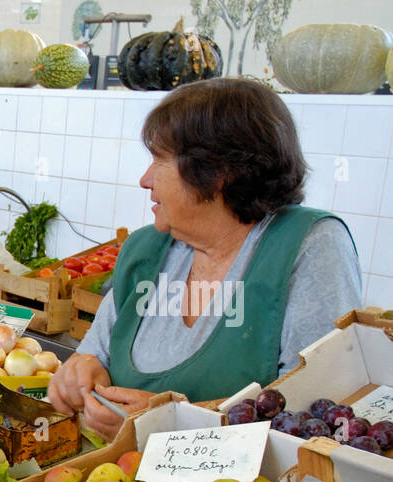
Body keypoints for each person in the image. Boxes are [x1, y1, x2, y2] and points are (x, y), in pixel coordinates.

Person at [47, 78, 363, 440]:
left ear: (217, 173)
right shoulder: (145, 251)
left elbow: (321, 412)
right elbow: (95, 355)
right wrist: (81, 370)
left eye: (160, 160)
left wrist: (176, 423)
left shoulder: (308, 245)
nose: (144, 180)